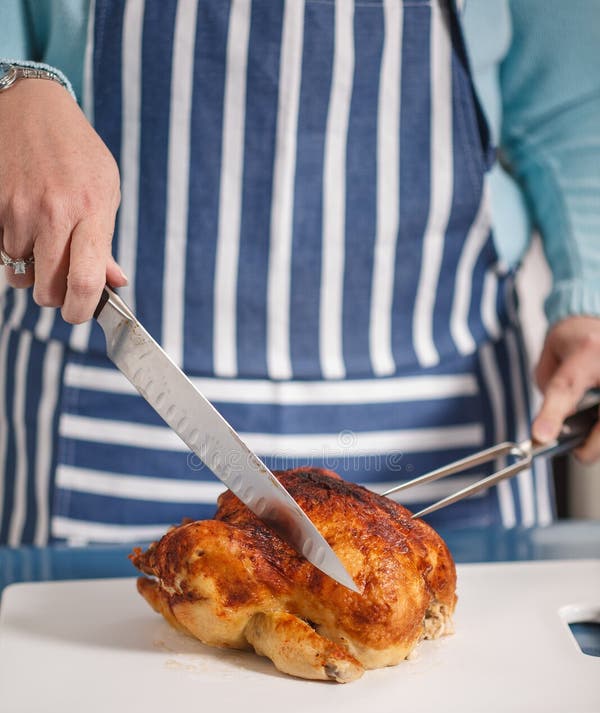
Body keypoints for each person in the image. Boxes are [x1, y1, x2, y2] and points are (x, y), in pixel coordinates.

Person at [0, 0, 599, 547]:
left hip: (448, 413)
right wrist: (10, 84)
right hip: (103, 401)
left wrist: (590, 292)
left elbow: (573, 97)